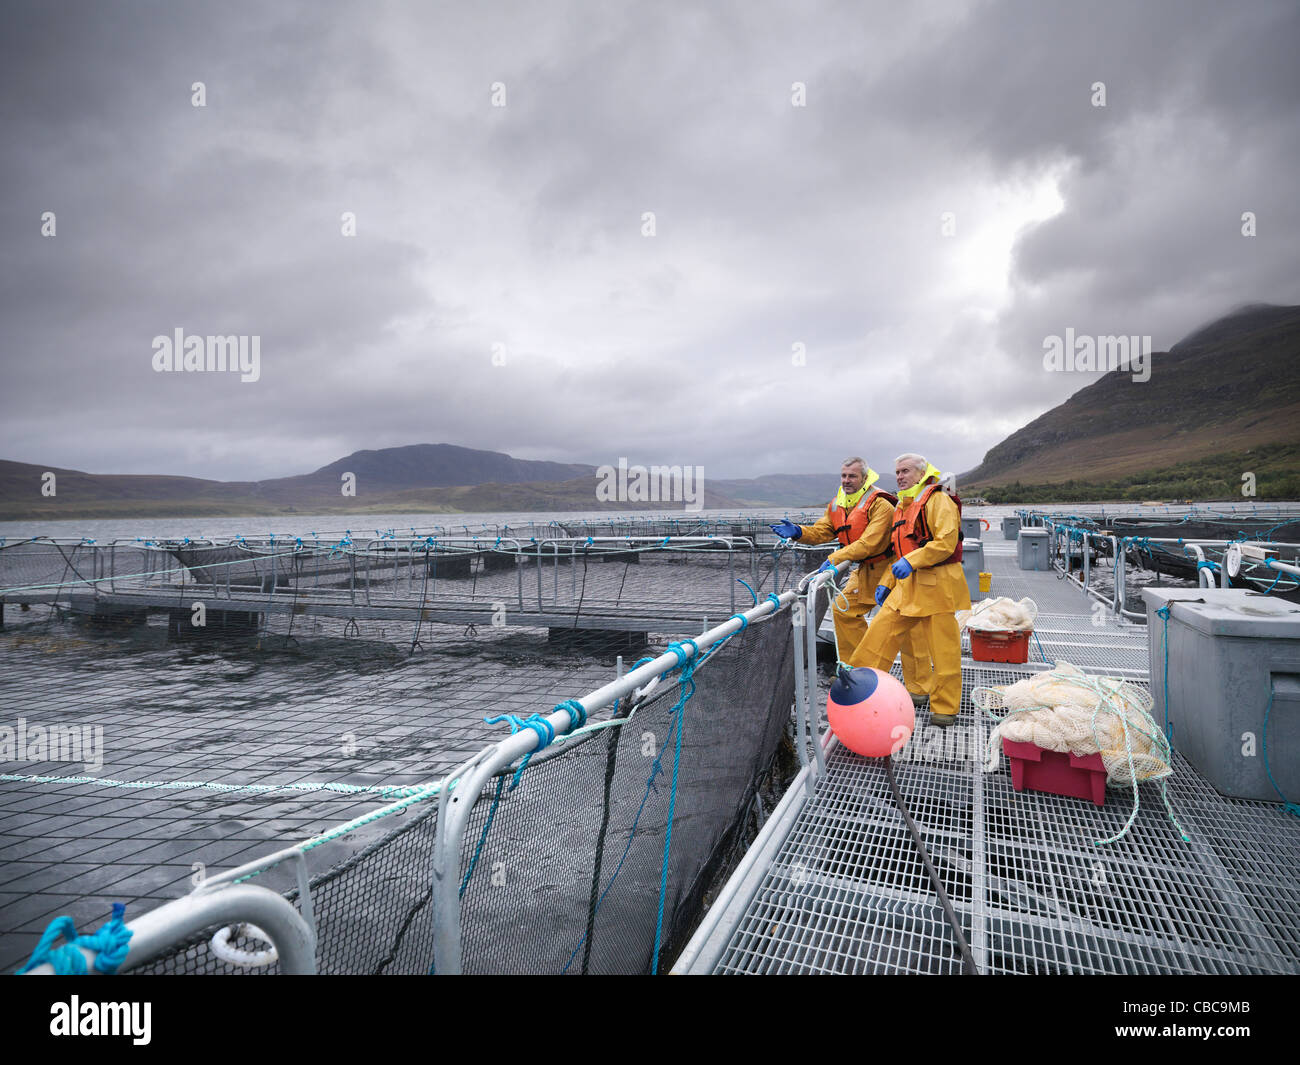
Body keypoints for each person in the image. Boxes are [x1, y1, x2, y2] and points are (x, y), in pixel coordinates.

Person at [771, 457, 932, 704]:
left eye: (852, 476)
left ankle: (919, 689)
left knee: (908, 626)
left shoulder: (881, 505)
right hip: (864, 570)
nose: (846, 481)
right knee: (844, 612)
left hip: (892, 568)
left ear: (865, 479)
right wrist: (800, 532)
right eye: (844, 476)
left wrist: (836, 558)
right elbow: (823, 530)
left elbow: (871, 542)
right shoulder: (837, 504)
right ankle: (857, 672)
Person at [847, 453, 970, 726]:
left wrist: (911, 562)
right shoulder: (904, 505)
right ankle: (857, 690)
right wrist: (886, 582)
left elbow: (945, 543)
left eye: (905, 471)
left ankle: (945, 708)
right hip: (906, 587)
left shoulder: (939, 500)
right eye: (897, 472)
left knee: (944, 652)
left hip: (938, 586)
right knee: (878, 636)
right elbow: (898, 551)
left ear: (921, 473)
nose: (900, 477)